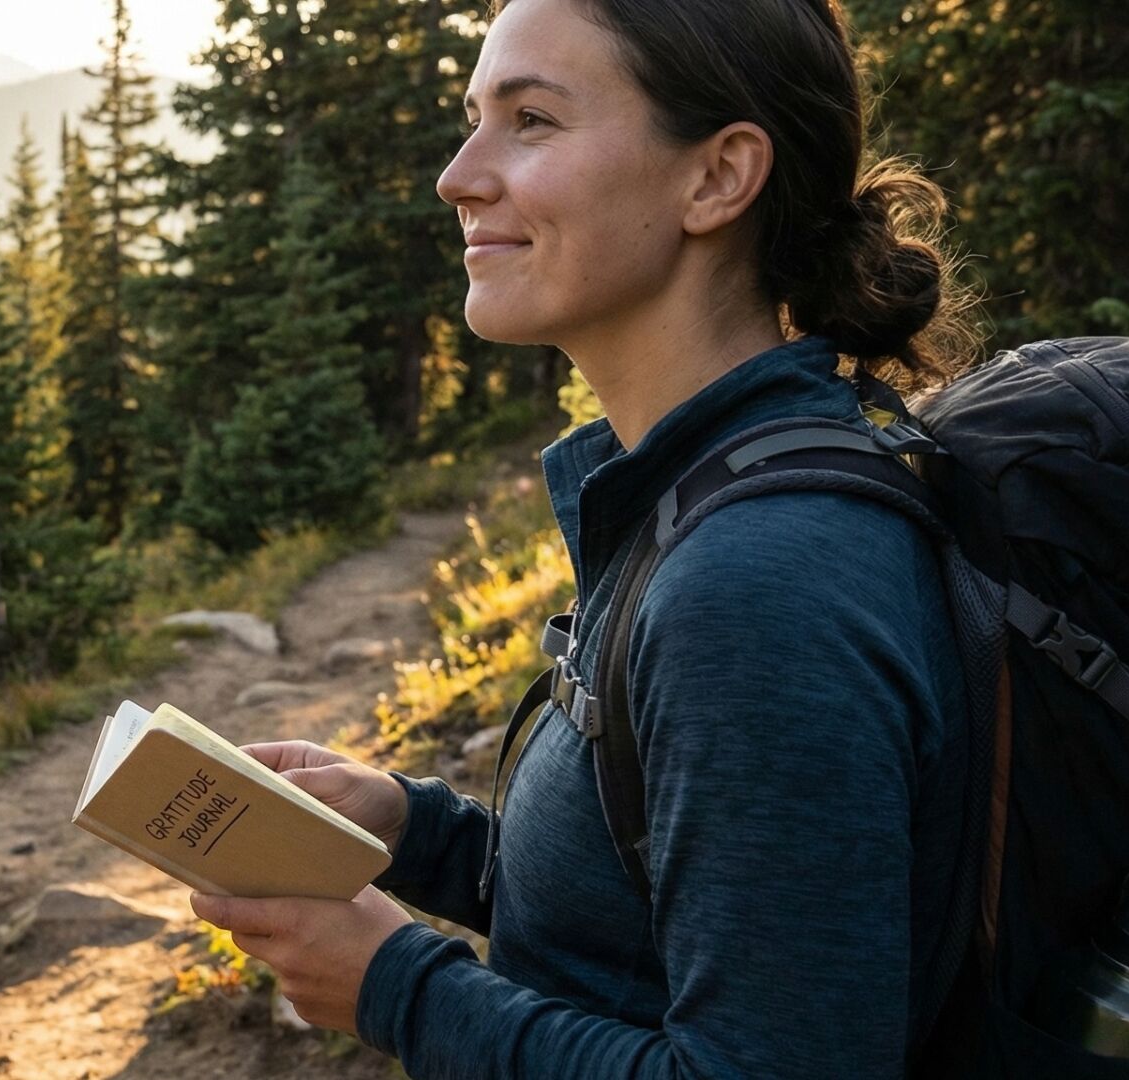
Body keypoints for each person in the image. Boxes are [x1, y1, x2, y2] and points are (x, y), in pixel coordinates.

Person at [186, 0, 981, 1075]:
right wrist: (414, 833)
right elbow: (655, 918)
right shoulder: (702, 485)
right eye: (473, 117)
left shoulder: (758, 587)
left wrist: (400, 988)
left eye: (532, 121)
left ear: (716, 179)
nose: (458, 176)